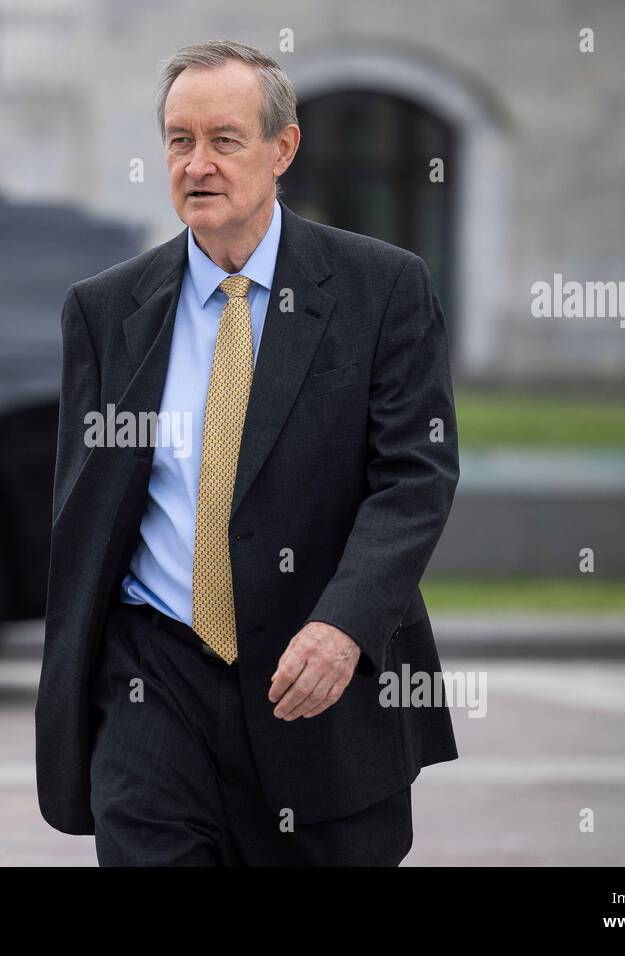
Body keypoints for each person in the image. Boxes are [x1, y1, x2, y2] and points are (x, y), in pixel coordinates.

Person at [35, 38, 460, 866]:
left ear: (282, 148)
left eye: (224, 140)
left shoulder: (382, 289)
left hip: (318, 680)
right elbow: (83, 510)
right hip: (153, 676)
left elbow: (416, 476)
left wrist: (346, 624)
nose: (197, 164)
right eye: (178, 141)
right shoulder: (103, 311)